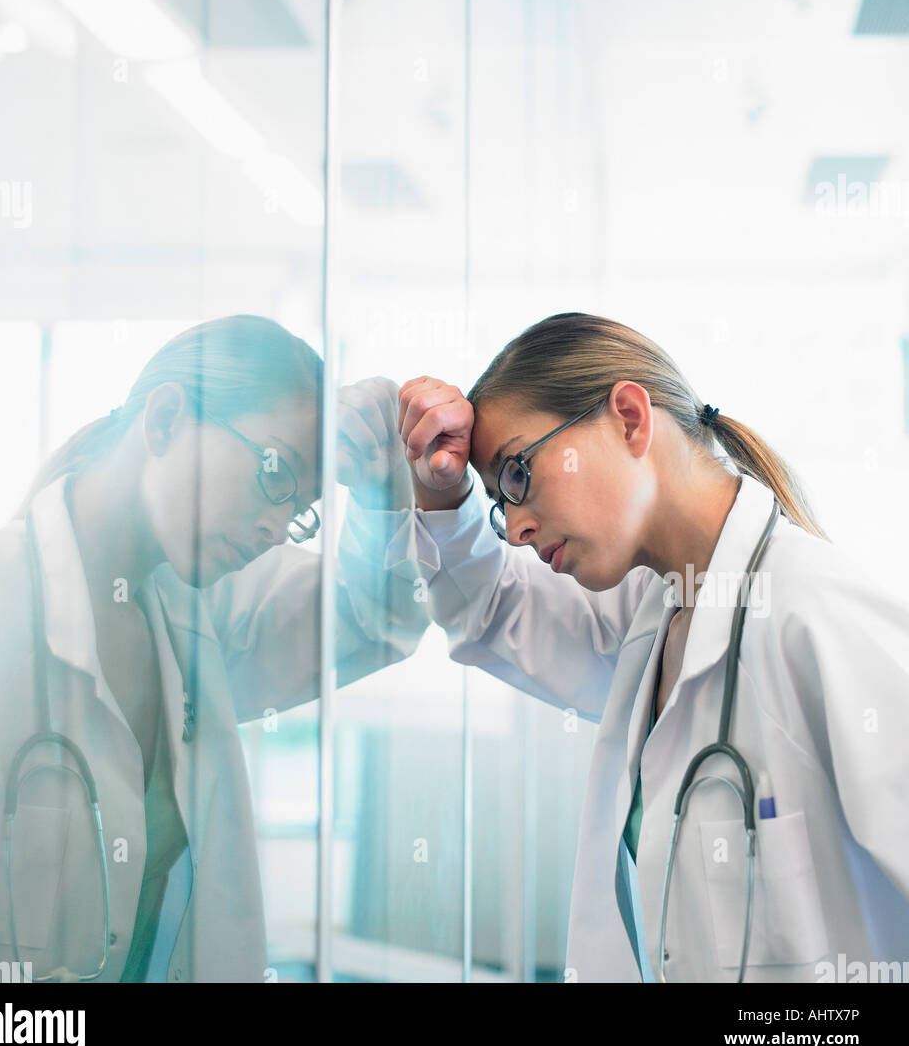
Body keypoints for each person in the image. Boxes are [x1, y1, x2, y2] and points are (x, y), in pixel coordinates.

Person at [389, 310, 909, 983]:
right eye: (497, 501)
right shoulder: (655, 610)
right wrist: (438, 490)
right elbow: (490, 611)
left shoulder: (815, 615)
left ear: (629, 417)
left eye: (517, 474)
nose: (514, 528)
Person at [0, 314, 427, 983]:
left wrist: (381, 487)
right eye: (274, 473)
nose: (278, 528)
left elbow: (380, 617)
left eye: (301, 508)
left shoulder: (206, 611)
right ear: (165, 419)